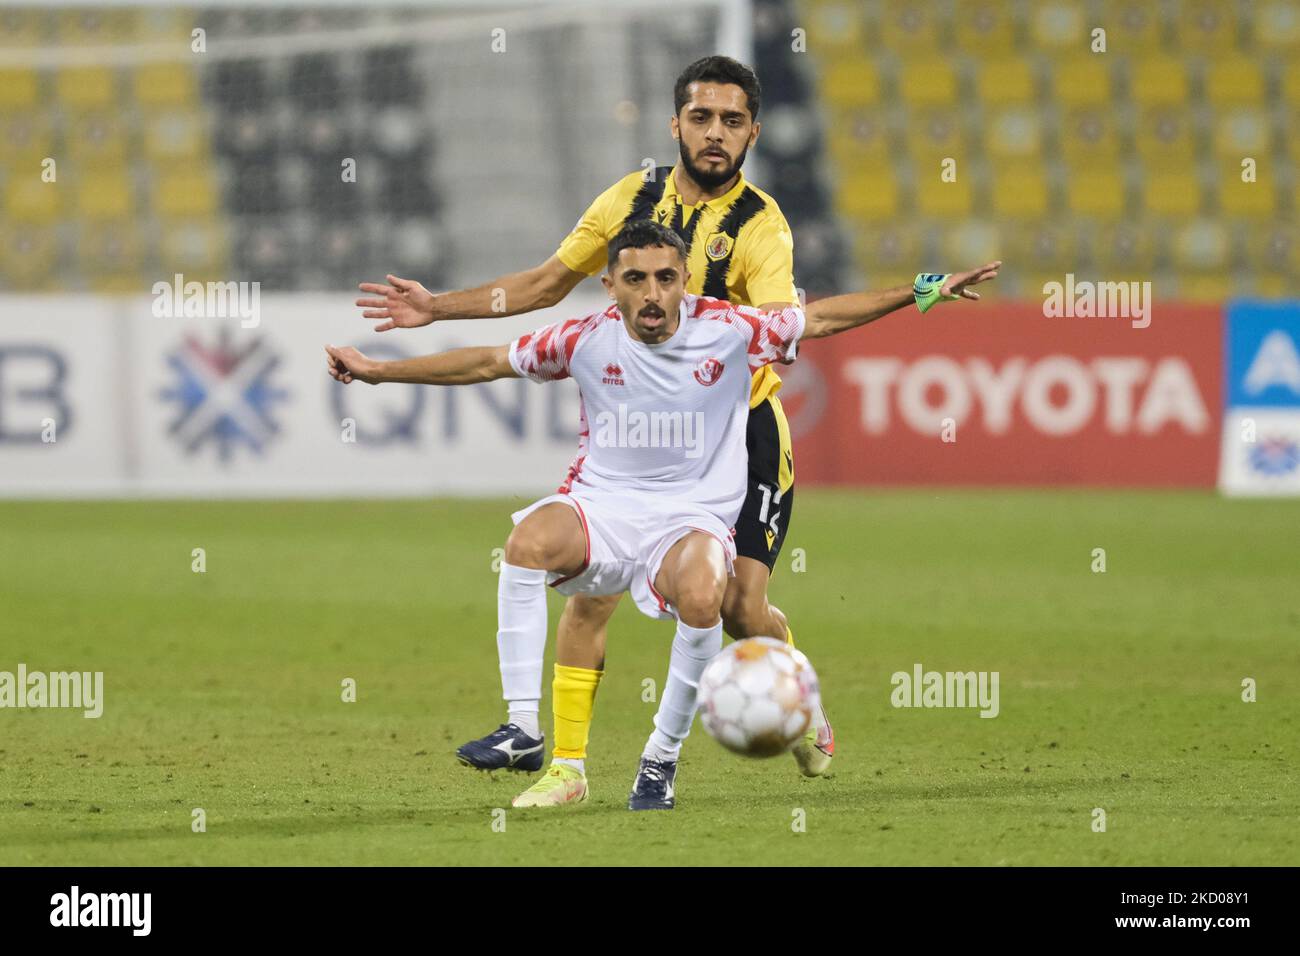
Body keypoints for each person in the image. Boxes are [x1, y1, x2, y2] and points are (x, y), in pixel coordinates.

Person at [329, 219, 1000, 809]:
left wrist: (924, 288)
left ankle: (660, 759)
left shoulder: (732, 329)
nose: (652, 293)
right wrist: (380, 372)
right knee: (527, 543)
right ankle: (527, 734)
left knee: (718, 600)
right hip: (604, 506)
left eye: (665, 278)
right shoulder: (582, 339)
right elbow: (485, 363)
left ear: (684, 281)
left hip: (692, 516)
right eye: (635, 279)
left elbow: (821, 318)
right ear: (610, 287)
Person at [356, 56, 835, 786]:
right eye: (701, 118)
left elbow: (777, 321)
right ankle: (562, 764)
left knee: (739, 606)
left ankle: (797, 705)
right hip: (641, 435)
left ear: (753, 134)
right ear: (675, 124)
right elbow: (548, 283)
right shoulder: (627, 199)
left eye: (731, 122)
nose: (715, 134)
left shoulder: (761, 226)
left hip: (737, 432)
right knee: (587, 594)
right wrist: (436, 306)